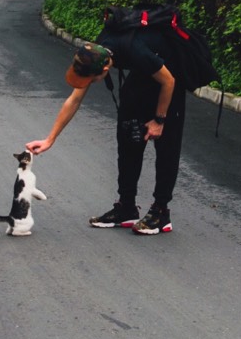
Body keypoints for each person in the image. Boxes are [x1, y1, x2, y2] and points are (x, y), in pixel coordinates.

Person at [26, 13, 186, 235]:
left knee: (166, 146)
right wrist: (50, 139)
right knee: (128, 135)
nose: (88, 84)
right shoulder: (97, 51)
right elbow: (74, 98)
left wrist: (159, 120)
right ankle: (126, 207)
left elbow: (168, 81)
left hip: (170, 76)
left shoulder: (135, 51)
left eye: (91, 80)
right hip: (142, 76)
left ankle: (161, 212)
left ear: (103, 71)